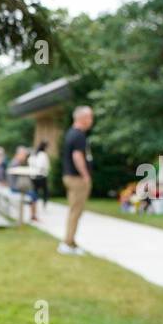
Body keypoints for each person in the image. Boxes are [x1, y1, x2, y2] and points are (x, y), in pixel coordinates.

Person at [60, 105, 94, 254]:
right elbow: (77, 156)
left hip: (70, 176)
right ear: (83, 118)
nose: (91, 120)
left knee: (75, 210)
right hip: (76, 178)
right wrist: (85, 175)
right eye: (90, 117)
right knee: (76, 211)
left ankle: (71, 241)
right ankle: (67, 243)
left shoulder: (71, 133)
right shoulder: (78, 135)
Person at [29, 140, 51, 220]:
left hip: (33, 176)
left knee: (35, 192)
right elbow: (42, 165)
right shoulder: (43, 155)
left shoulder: (34, 154)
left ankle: (36, 208)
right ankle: (43, 206)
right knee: (45, 192)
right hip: (41, 176)